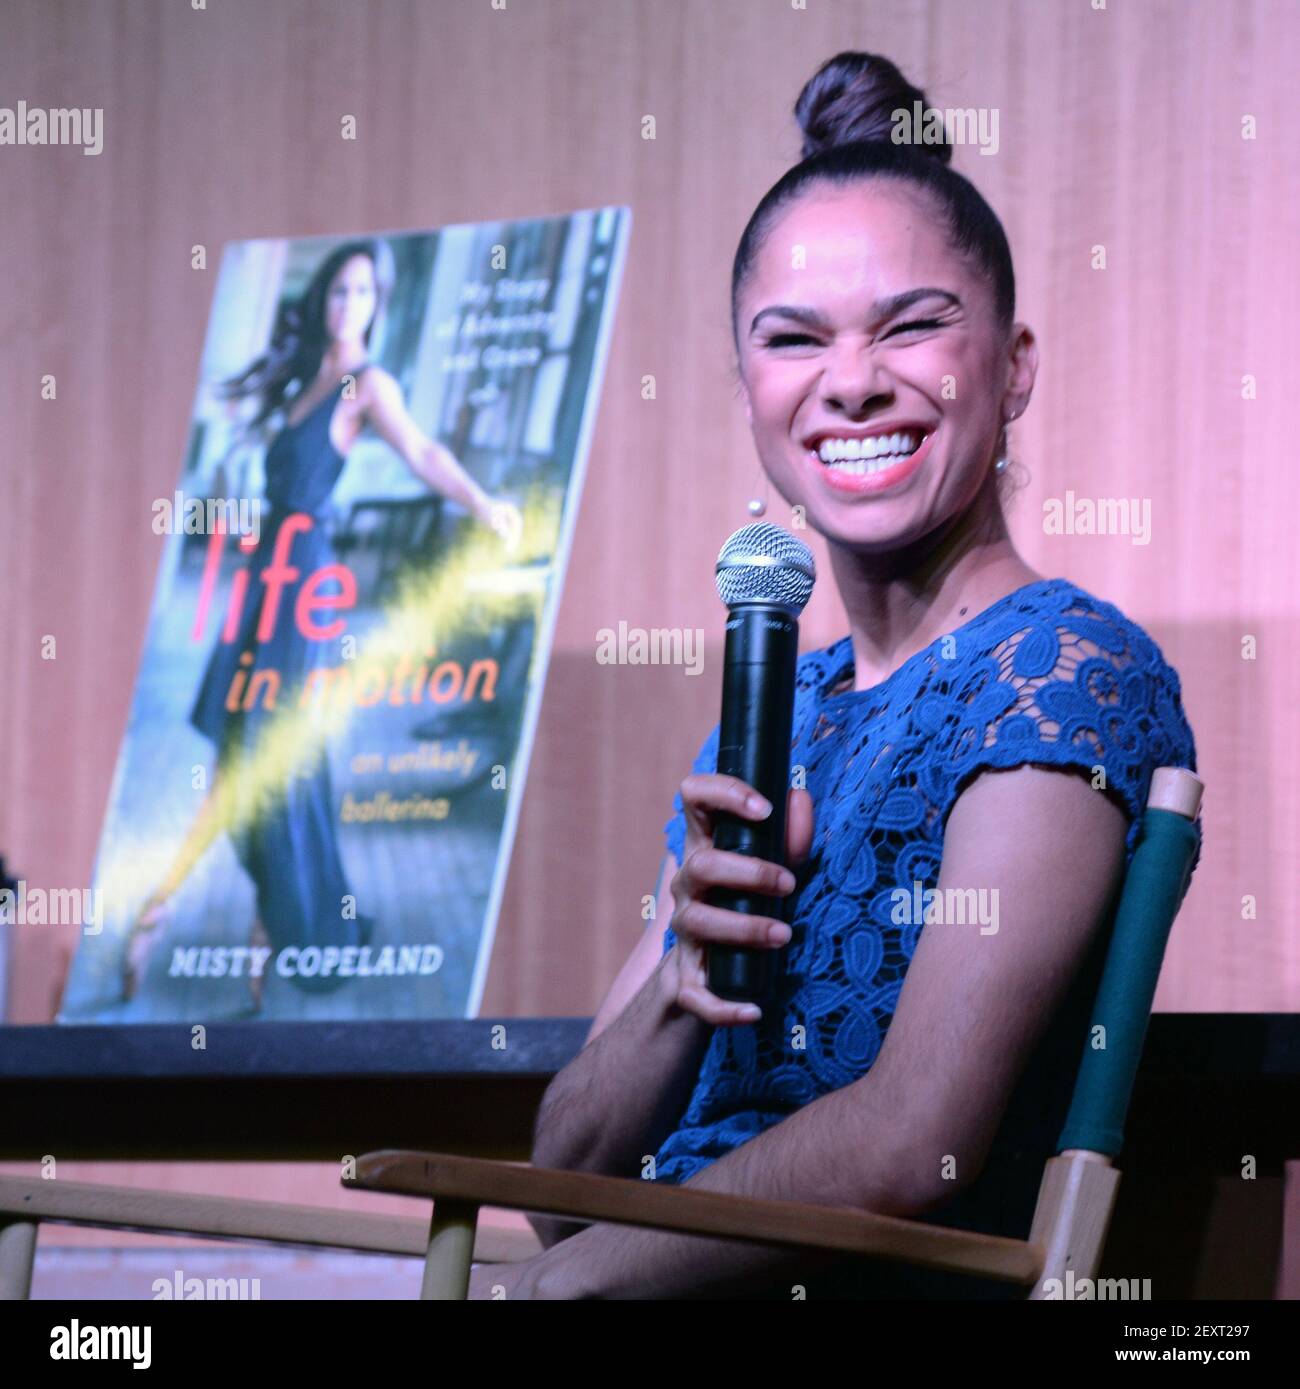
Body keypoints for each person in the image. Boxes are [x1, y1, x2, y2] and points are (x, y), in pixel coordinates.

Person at [468, 52, 1201, 1299]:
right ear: (750, 389)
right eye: (792, 339)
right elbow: (562, 1171)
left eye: (913, 324)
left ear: (1013, 364)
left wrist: (573, 1286)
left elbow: (919, 1138)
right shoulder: (776, 711)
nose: (851, 380)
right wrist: (683, 987)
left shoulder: (1059, 668)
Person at [123, 238, 522, 1011]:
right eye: (339, 292)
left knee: (259, 761)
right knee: (252, 758)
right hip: (266, 578)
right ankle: (251, 937)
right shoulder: (309, 375)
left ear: (381, 302)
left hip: (304, 581)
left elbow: (425, 451)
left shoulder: (369, 384)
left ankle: (162, 912)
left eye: (364, 293)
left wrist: (482, 501)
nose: (348, 306)